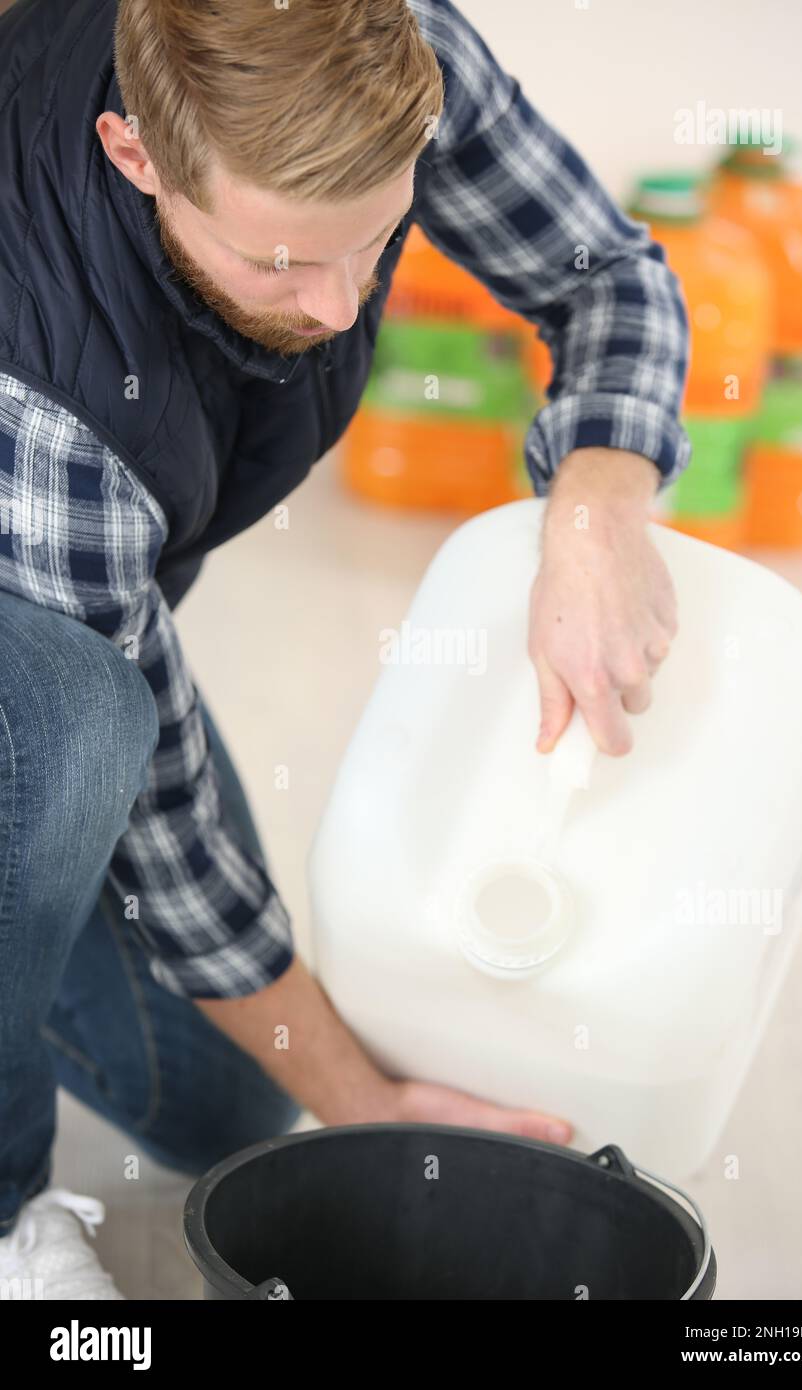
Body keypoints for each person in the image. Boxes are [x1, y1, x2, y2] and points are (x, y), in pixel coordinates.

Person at [0, 0, 686, 1299]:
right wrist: (362, 1097)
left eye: (372, 239)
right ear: (135, 154)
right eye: (277, 261)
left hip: (54, 591)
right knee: (70, 721)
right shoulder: (43, 383)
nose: (336, 305)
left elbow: (606, 271)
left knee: (224, 1113)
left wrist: (594, 501)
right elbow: (155, 802)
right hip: (35, 651)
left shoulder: (393, 48)